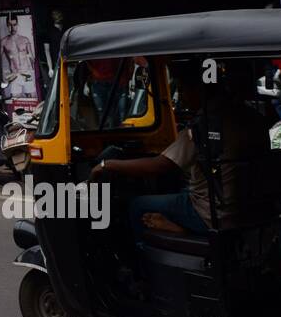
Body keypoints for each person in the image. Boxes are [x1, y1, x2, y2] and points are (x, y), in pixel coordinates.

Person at [91, 62, 270, 236]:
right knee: (184, 188)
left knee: (138, 205)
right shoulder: (254, 117)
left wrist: (107, 165)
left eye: (184, 90)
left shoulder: (204, 125)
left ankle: (142, 264)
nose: (182, 97)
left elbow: (159, 166)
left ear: (198, 90)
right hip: (251, 207)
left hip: (213, 214)